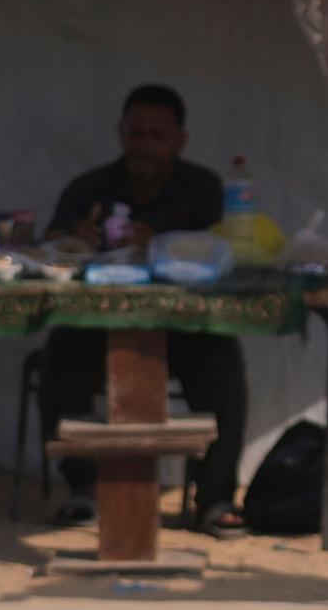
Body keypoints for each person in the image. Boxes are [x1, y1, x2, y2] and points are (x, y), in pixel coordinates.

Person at [41, 82, 248, 533]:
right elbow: (50, 247)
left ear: (179, 140)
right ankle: (81, 488)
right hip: (97, 322)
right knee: (60, 358)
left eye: (157, 135)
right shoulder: (90, 187)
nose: (145, 145)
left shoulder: (202, 187)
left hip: (182, 327)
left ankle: (214, 498)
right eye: (137, 133)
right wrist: (74, 240)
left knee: (224, 365)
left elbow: (217, 251)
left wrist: (158, 244)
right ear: (121, 133)